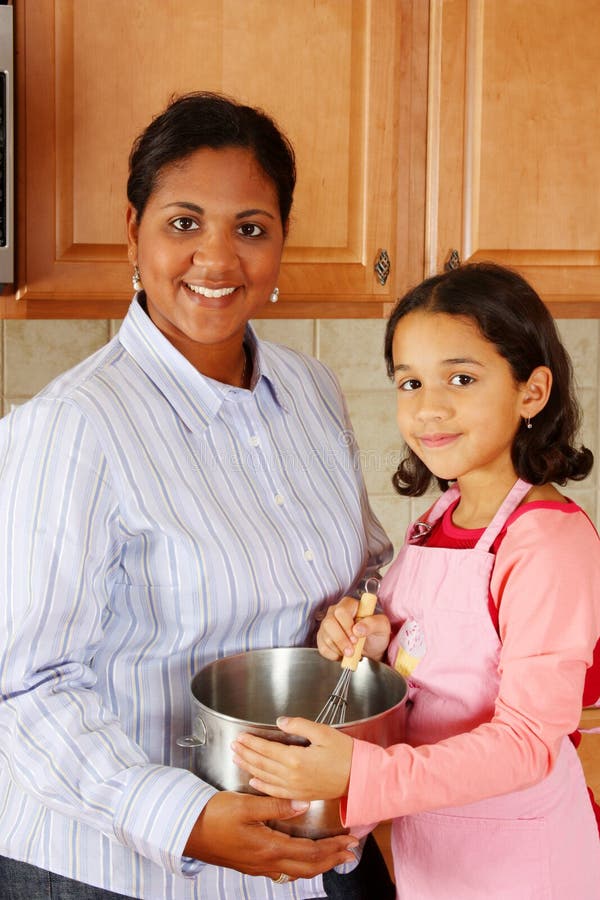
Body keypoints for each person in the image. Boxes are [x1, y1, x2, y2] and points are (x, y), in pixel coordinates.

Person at [0, 92, 396, 899]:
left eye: (250, 228)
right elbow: (24, 684)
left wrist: (360, 612)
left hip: (306, 836)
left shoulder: (312, 388)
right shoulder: (73, 427)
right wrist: (186, 818)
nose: (217, 260)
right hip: (111, 866)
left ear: (281, 240)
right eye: (184, 223)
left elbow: (368, 567)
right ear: (132, 232)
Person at [232, 262, 600, 899]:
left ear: (531, 392)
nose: (429, 408)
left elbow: (528, 745)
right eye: (409, 382)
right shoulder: (438, 518)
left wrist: (358, 773)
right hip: (435, 846)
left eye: (461, 378)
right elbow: (440, 657)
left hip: (521, 860)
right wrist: (376, 638)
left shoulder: (547, 541)